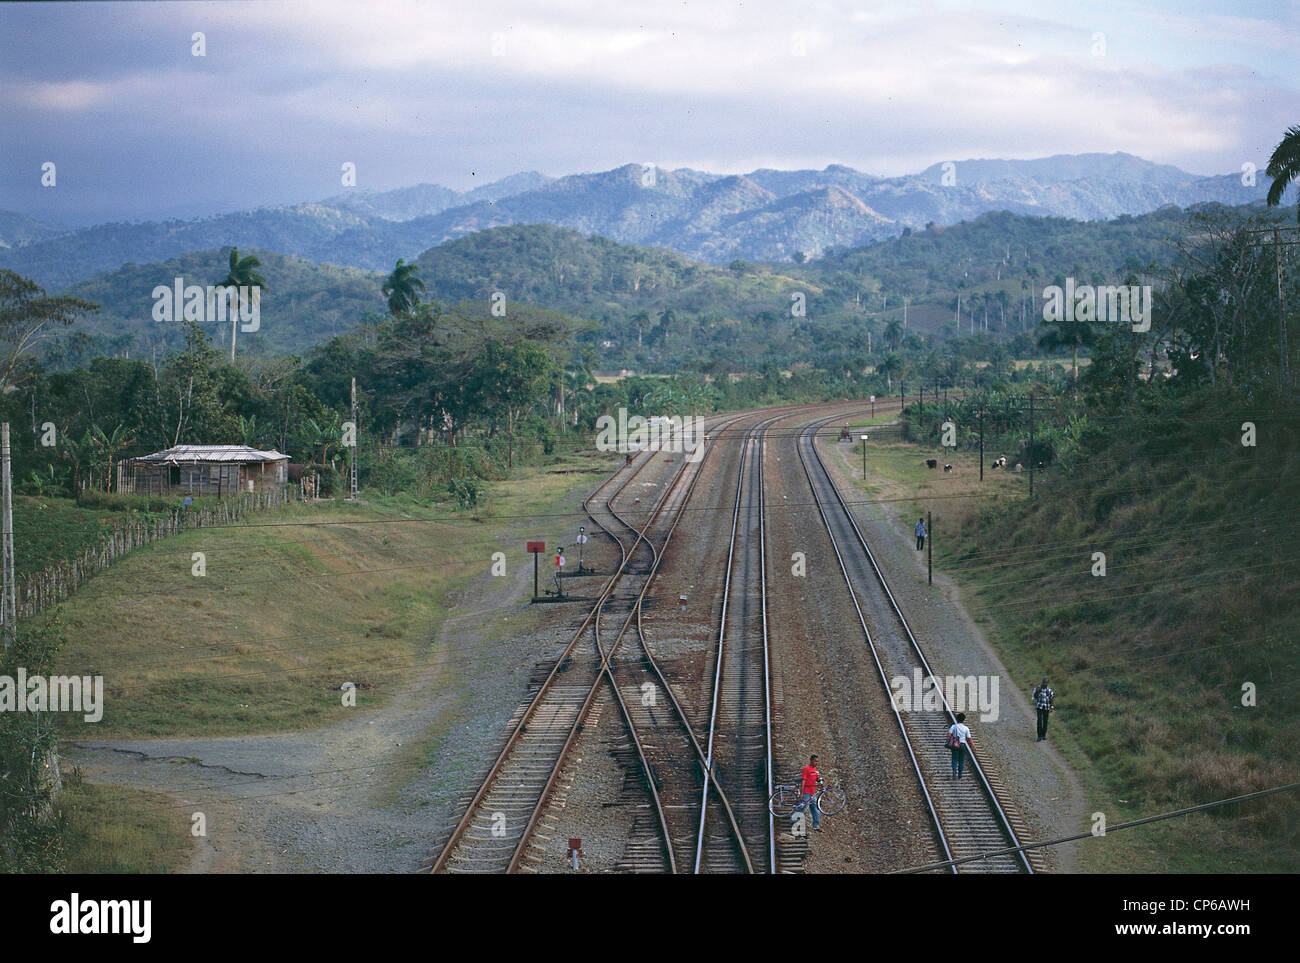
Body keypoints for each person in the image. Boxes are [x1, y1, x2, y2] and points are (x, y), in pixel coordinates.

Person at [792, 753, 822, 832]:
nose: (817, 763)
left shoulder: (815, 770)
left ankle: (816, 825)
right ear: (811, 761)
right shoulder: (806, 769)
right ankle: (793, 820)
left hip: (813, 793)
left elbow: (817, 779)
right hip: (806, 792)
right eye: (815, 761)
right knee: (803, 809)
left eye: (817, 762)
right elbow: (803, 781)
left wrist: (820, 780)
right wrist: (801, 793)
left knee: (815, 809)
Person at [947, 712, 971, 778]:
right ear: (964, 720)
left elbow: (949, 735)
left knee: (954, 759)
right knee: (961, 760)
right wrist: (974, 747)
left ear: (957, 719)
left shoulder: (953, 726)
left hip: (955, 744)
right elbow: (969, 739)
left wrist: (951, 739)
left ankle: (954, 771)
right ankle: (960, 774)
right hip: (962, 745)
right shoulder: (966, 728)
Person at [1032, 677, 1055, 741]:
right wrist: (1037, 691)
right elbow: (1035, 697)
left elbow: (1052, 698)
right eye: (1044, 682)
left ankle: (1043, 735)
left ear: (1048, 683)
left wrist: (1052, 707)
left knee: (1045, 721)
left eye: (1046, 683)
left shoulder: (1049, 690)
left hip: (1046, 707)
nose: (1045, 684)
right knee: (1039, 721)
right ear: (1042, 682)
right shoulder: (1038, 688)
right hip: (1039, 707)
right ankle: (1039, 736)